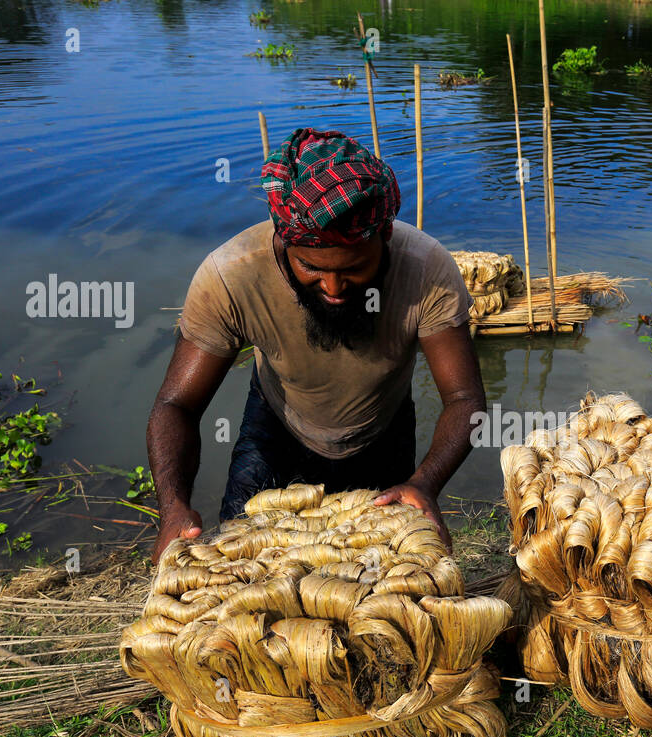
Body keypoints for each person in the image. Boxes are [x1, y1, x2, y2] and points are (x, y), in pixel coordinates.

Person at [146, 128, 485, 563]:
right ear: (284, 240)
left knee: (381, 581)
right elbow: (177, 405)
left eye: (354, 269)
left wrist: (426, 483)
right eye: (311, 267)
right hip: (275, 431)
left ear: (385, 237)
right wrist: (173, 507)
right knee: (243, 566)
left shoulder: (427, 270)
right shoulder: (230, 276)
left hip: (383, 434)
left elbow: (464, 398)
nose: (333, 286)